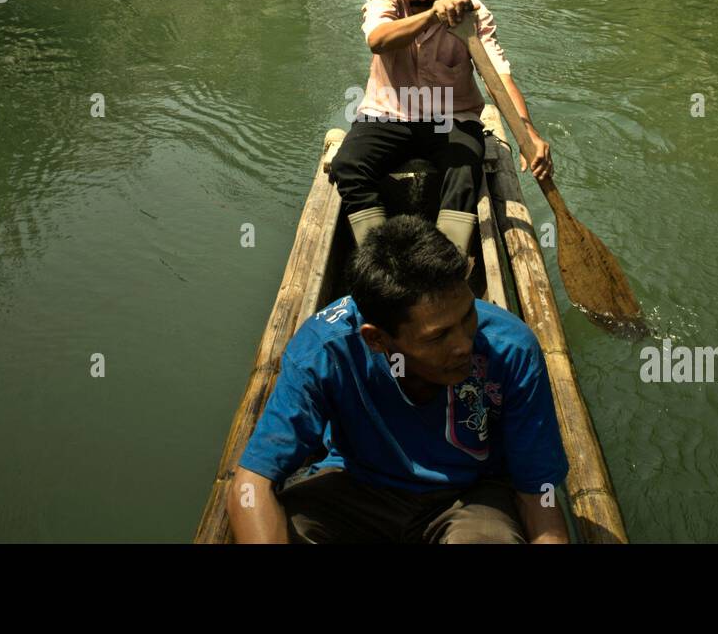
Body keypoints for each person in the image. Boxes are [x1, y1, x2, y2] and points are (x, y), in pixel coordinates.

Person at [227, 215, 570, 544]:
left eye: (468, 315)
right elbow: (252, 482)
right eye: (438, 338)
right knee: (287, 525)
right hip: (358, 486)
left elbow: (537, 493)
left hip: (468, 497)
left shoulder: (511, 348)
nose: (464, 345)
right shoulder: (324, 350)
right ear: (377, 339)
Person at [333, 0, 553, 257]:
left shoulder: (471, 13)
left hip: (451, 115)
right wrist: (433, 15)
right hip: (389, 111)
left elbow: (499, 78)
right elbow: (378, 40)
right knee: (348, 165)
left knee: (465, 169)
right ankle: (379, 260)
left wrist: (527, 133)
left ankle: (445, 263)